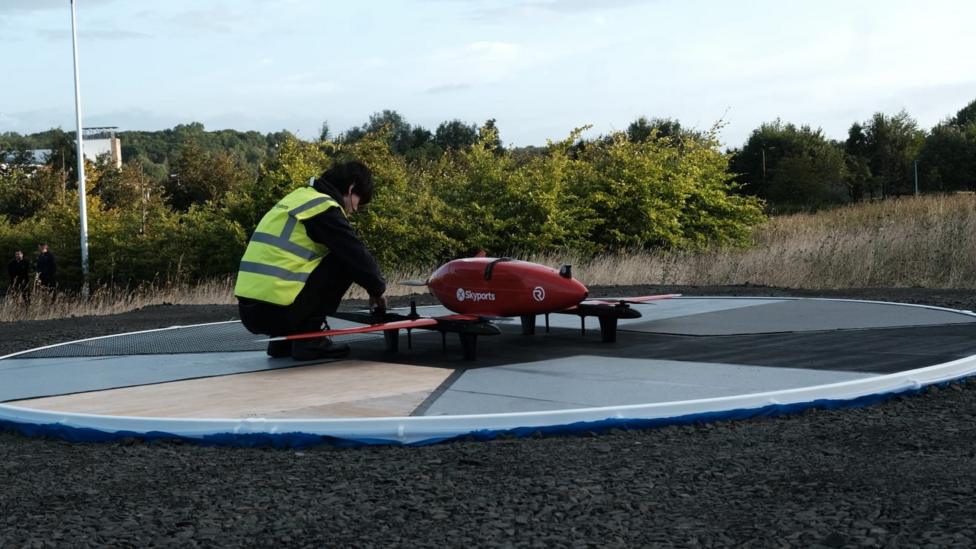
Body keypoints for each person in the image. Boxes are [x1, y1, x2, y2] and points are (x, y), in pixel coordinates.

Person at [235, 161, 387, 361]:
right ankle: (310, 340)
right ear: (351, 189)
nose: (356, 209)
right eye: (360, 201)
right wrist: (378, 290)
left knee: (323, 256)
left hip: (249, 312)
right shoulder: (324, 208)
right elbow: (357, 257)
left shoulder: (297, 198)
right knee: (344, 258)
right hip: (276, 312)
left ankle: (283, 341)